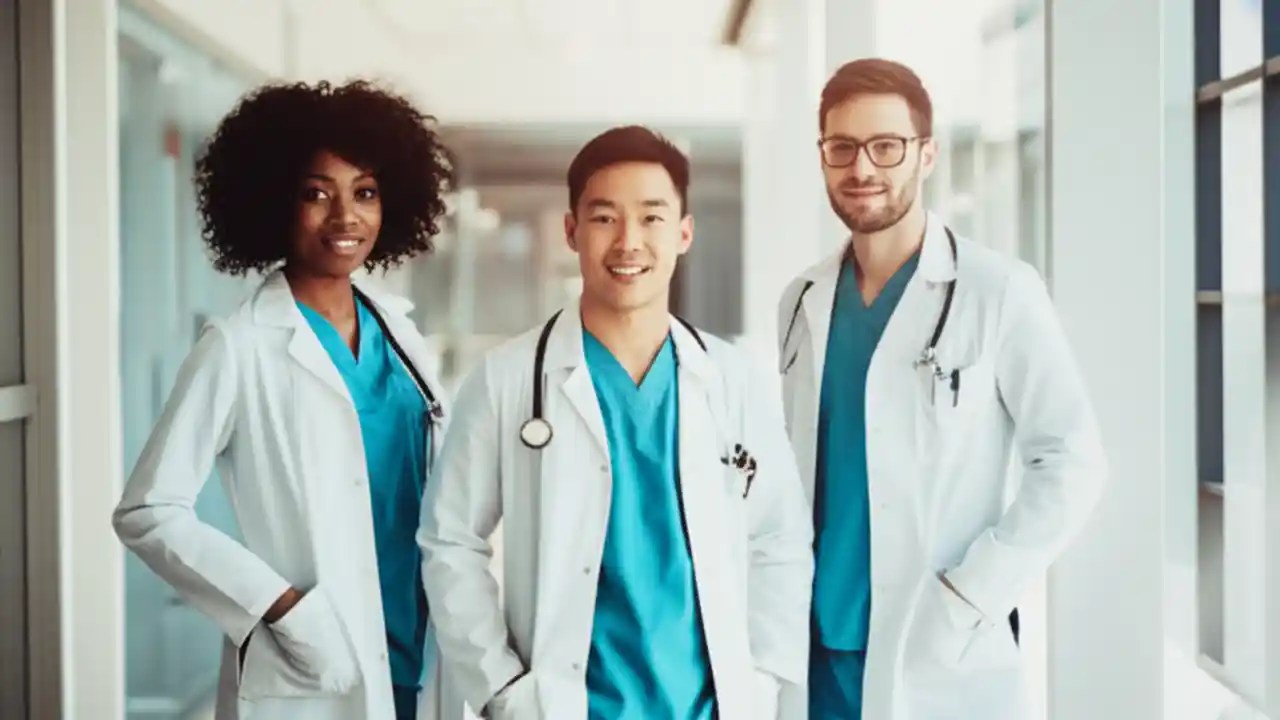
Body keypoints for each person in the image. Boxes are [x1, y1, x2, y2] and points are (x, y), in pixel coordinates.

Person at [420, 126, 813, 720]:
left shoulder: (733, 380)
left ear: (684, 233)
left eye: (652, 218)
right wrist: (502, 689)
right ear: (572, 231)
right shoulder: (506, 379)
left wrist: (762, 678)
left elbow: (779, 539)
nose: (629, 242)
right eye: (605, 218)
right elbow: (450, 542)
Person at [113, 80, 461, 720]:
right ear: (274, 200)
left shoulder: (401, 333)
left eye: (365, 193)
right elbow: (148, 510)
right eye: (316, 193)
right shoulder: (239, 344)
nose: (344, 217)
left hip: (420, 641)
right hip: (319, 656)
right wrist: (283, 608)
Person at [776, 58, 1108, 719]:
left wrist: (973, 594)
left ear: (926, 155)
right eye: (841, 148)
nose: (861, 168)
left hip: (937, 650)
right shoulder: (801, 300)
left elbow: (1073, 463)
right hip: (815, 653)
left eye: (886, 146)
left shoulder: (998, 290)